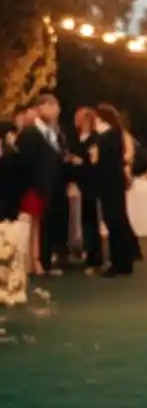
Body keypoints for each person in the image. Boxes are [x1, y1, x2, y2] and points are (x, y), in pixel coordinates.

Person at [16, 94, 67, 276]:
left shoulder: (52, 132)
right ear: (40, 107)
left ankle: (38, 261)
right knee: (32, 224)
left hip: (47, 186)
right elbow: (25, 161)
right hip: (33, 186)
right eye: (51, 105)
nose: (56, 110)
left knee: (40, 224)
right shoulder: (30, 132)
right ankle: (32, 261)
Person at [93, 103, 139, 277]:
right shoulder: (116, 133)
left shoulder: (108, 135)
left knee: (114, 221)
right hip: (114, 183)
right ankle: (123, 261)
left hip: (109, 184)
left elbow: (104, 161)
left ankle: (119, 262)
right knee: (118, 220)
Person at [69, 106, 103, 273]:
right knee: (83, 220)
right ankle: (85, 251)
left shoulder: (95, 139)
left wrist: (81, 162)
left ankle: (94, 257)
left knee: (91, 220)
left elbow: (94, 162)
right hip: (79, 183)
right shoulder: (76, 138)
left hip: (91, 184)